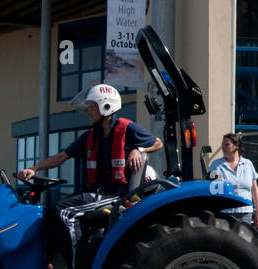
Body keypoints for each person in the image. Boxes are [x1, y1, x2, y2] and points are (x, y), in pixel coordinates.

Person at [17, 84, 162, 204]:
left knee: (62, 210)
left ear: (106, 106)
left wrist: (139, 149)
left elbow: (157, 143)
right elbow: (61, 157)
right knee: (52, 210)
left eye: (91, 106)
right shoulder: (90, 136)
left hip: (115, 196)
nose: (88, 111)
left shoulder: (128, 129)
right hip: (95, 193)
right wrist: (34, 169)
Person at [207, 133, 258, 229]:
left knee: (244, 240)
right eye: (222, 145)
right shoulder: (216, 165)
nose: (223, 148)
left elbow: (254, 190)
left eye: (227, 145)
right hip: (225, 213)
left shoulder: (248, 164)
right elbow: (213, 191)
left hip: (245, 212)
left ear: (236, 146)